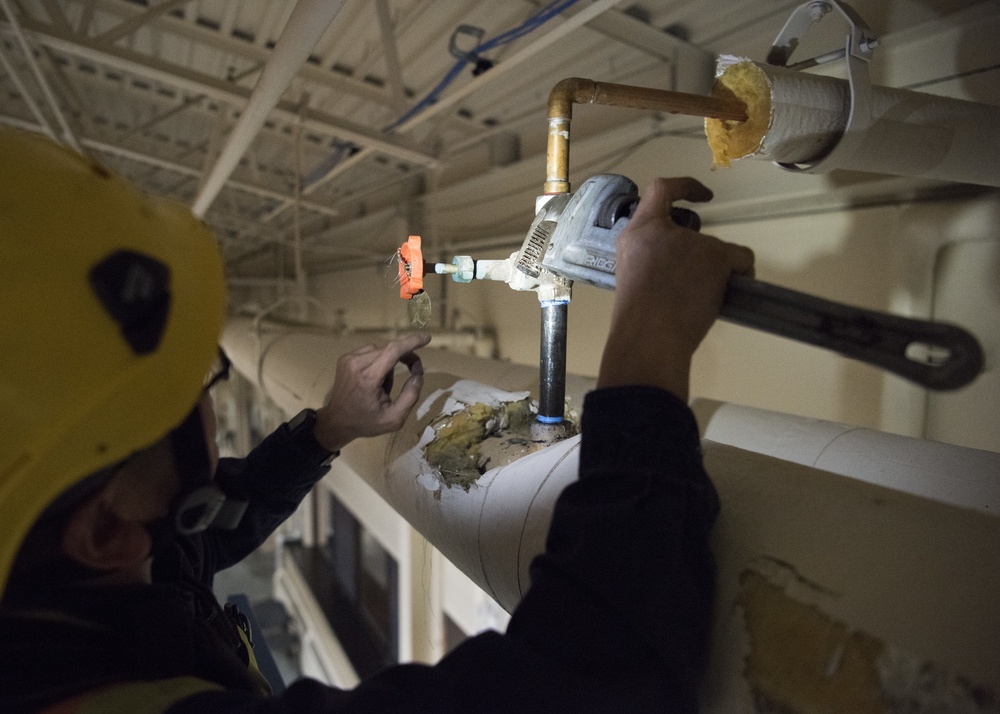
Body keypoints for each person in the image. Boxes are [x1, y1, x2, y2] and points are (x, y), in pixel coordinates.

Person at [0, 128, 753, 713]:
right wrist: (649, 344)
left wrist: (325, 429)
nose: (205, 395)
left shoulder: (59, 600)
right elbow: (591, 684)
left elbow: (195, 541)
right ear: (103, 533)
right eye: (186, 383)